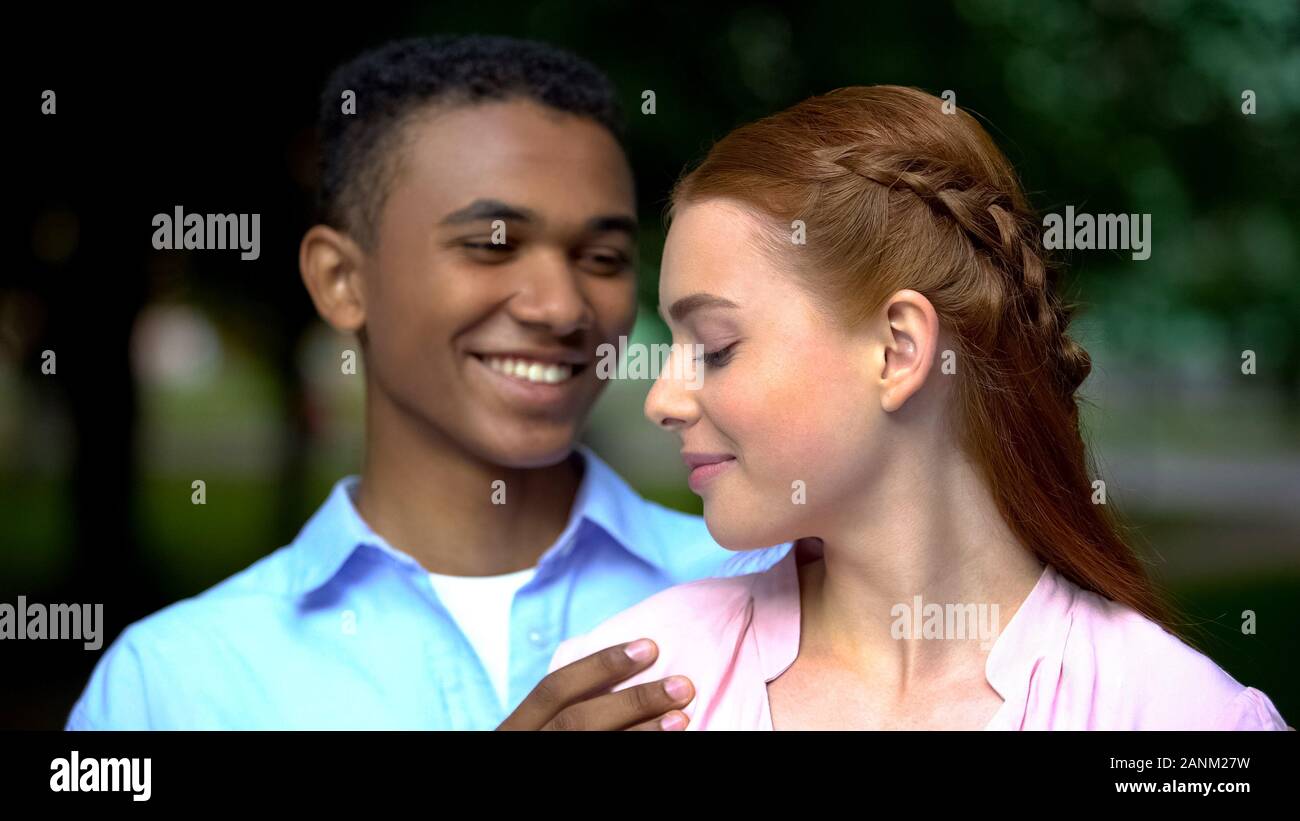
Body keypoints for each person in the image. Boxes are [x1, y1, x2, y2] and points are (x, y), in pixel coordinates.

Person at [65, 35, 789, 731]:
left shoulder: (779, 589)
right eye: (490, 246)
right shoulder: (169, 684)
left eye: (601, 256)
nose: (562, 306)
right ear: (342, 279)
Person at [548, 85, 1291, 730]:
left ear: (899, 350)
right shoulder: (630, 693)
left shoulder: (1182, 720)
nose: (661, 398)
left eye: (714, 345)